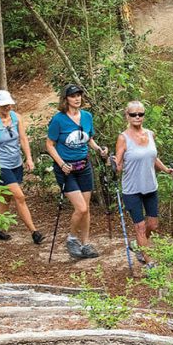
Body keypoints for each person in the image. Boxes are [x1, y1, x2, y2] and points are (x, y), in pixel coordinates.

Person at [45, 83, 109, 259]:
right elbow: (49, 145)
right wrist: (61, 163)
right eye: (73, 96)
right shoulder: (58, 120)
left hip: (84, 166)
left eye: (79, 95)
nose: (77, 98)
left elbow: (89, 138)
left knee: (86, 209)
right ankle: (72, 238)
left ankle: (85, 244)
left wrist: (99, 150)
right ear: (66, 99)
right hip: (66, 169)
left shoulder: (87, 117)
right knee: (80, 208)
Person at [112, 100, 173, 268]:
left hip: (150, 186)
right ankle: (149, 262)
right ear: (127, 116)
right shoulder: (123, 138)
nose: (137, 117)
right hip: (132, 189)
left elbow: (153, 157)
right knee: (140, 227)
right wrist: (113, 164)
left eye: (140, 114)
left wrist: (166, 170)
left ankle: (139, 246)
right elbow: (118, 165)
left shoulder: (150, 134)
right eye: (133, 114)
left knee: (153, 225)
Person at [0, 89, 44, 244]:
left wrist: (29, 158)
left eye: (9, 104)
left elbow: (23, 139)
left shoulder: (17, 118)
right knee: (20, 196)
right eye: (3, 105)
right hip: (1, 165)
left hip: (16, 163)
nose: (7, 108)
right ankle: (34, 232)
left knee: (5, 198)